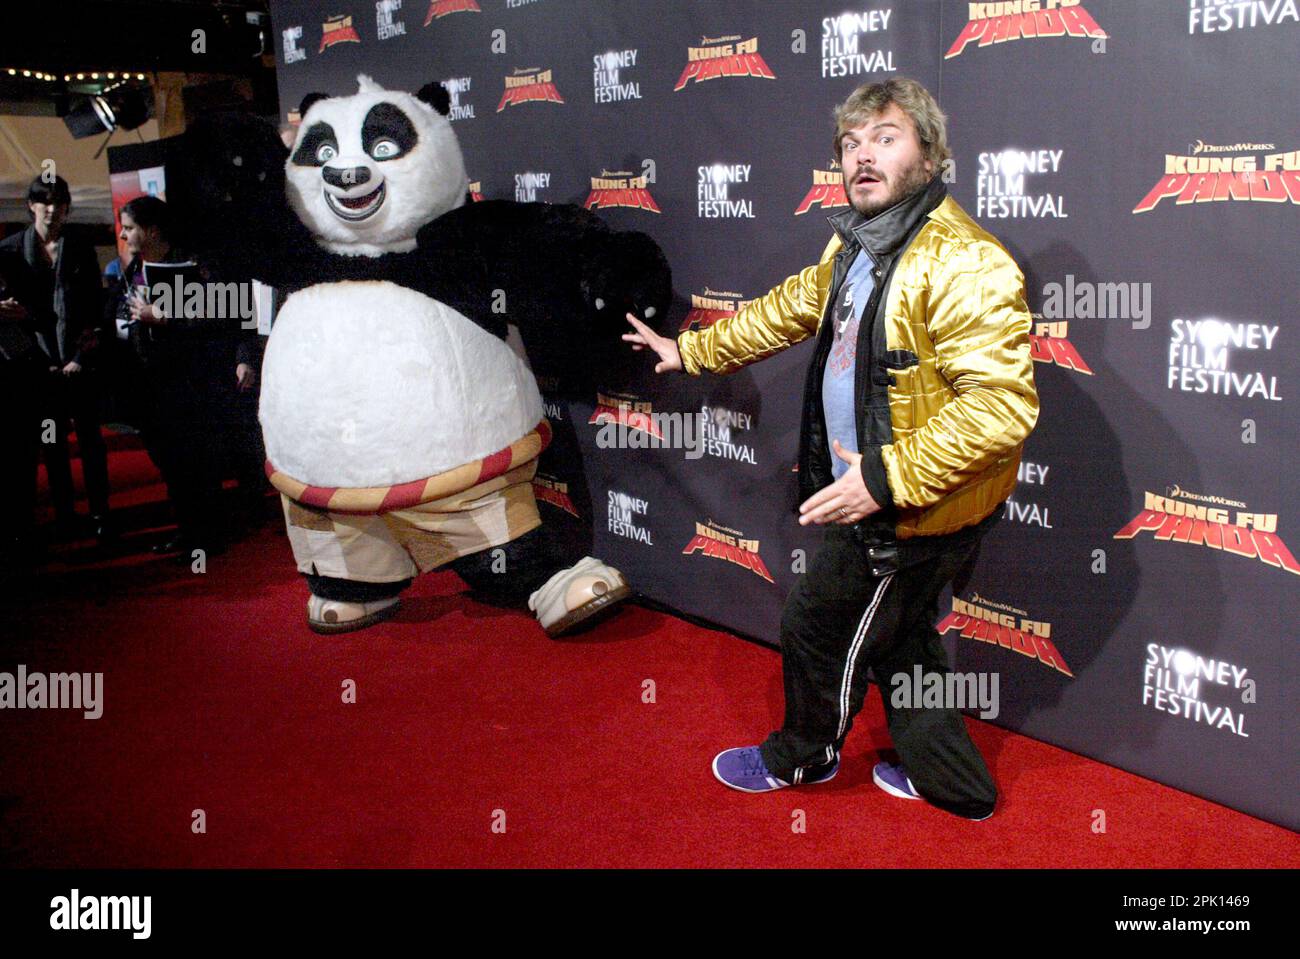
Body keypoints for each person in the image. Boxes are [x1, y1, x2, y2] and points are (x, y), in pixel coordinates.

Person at [624, 78, 1039, 821]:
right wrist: (692, 352)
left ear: (928, 153)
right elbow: (792, 307)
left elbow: (1001, 408)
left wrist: (883, 479)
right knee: (903, 635)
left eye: (885, 137)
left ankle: (802, 757)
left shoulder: (966, 262)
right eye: (850, 143)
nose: (862, 156)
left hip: (911, 508)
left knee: (816, 623)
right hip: (881, 490)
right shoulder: (857, 238)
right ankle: (955, 784)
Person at [105, 195, 259, 558]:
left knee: (199, 462)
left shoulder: (197, 264)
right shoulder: (131, 272)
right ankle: (189, 531)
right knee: (170, 463)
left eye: (129, 228)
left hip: (194, 381)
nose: (124, 236)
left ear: (152, 230)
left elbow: (232, 310)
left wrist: (166, 316)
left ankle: (209, 534)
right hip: (150, 384)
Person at [0, 175, 111, 542]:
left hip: (80, 361)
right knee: (52, 443)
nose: (52, 209)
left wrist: (81, 355)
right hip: (35, 366)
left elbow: (96, 307)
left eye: (59, 202)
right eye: (44, 202)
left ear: (67, 207)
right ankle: (65, 514)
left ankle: (100, 512)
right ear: (30, 205)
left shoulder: (79, 247)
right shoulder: (11, 250)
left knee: (91, 441)